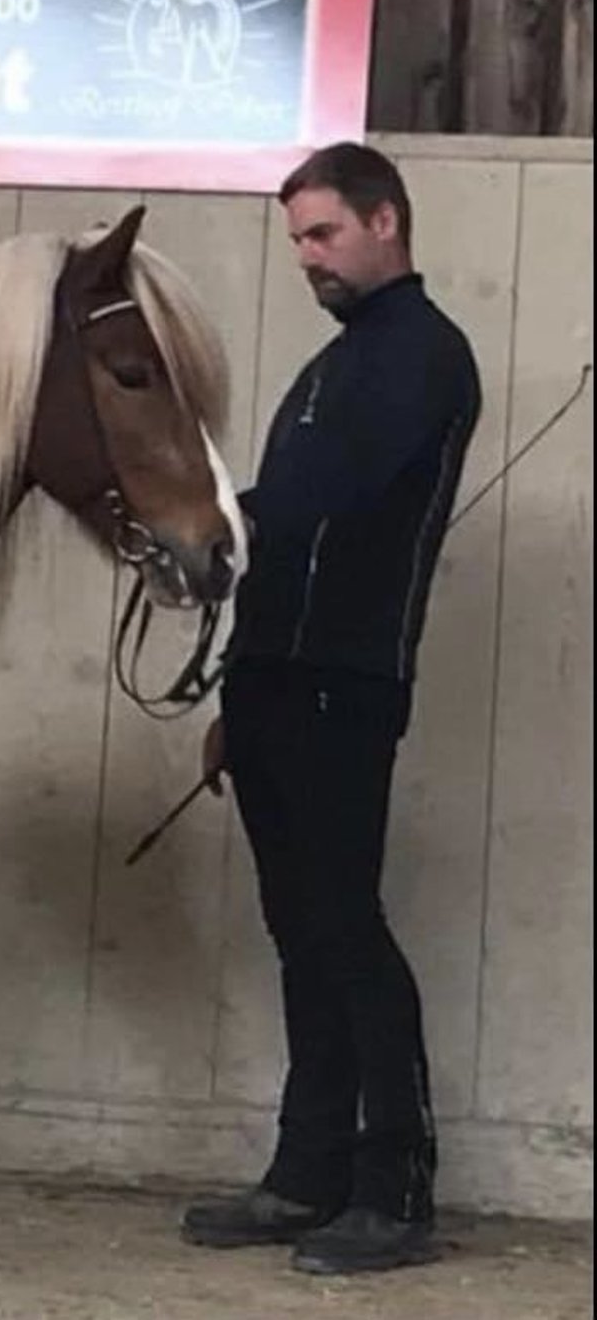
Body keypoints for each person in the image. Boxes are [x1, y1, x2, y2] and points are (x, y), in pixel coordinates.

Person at [179, 142, 482, 1275]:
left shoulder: (419, 356)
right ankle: (307, 1173)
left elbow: (319, 504)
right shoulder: (336, 365)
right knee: (303, 934)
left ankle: (395, 1188)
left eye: (324, 234)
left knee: (346, 928)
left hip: (345, 685)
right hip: (278, 683)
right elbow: (287, 546)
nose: (308, 257)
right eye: (298, 238)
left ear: (385, 220)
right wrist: (237, 686)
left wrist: (200, 524)